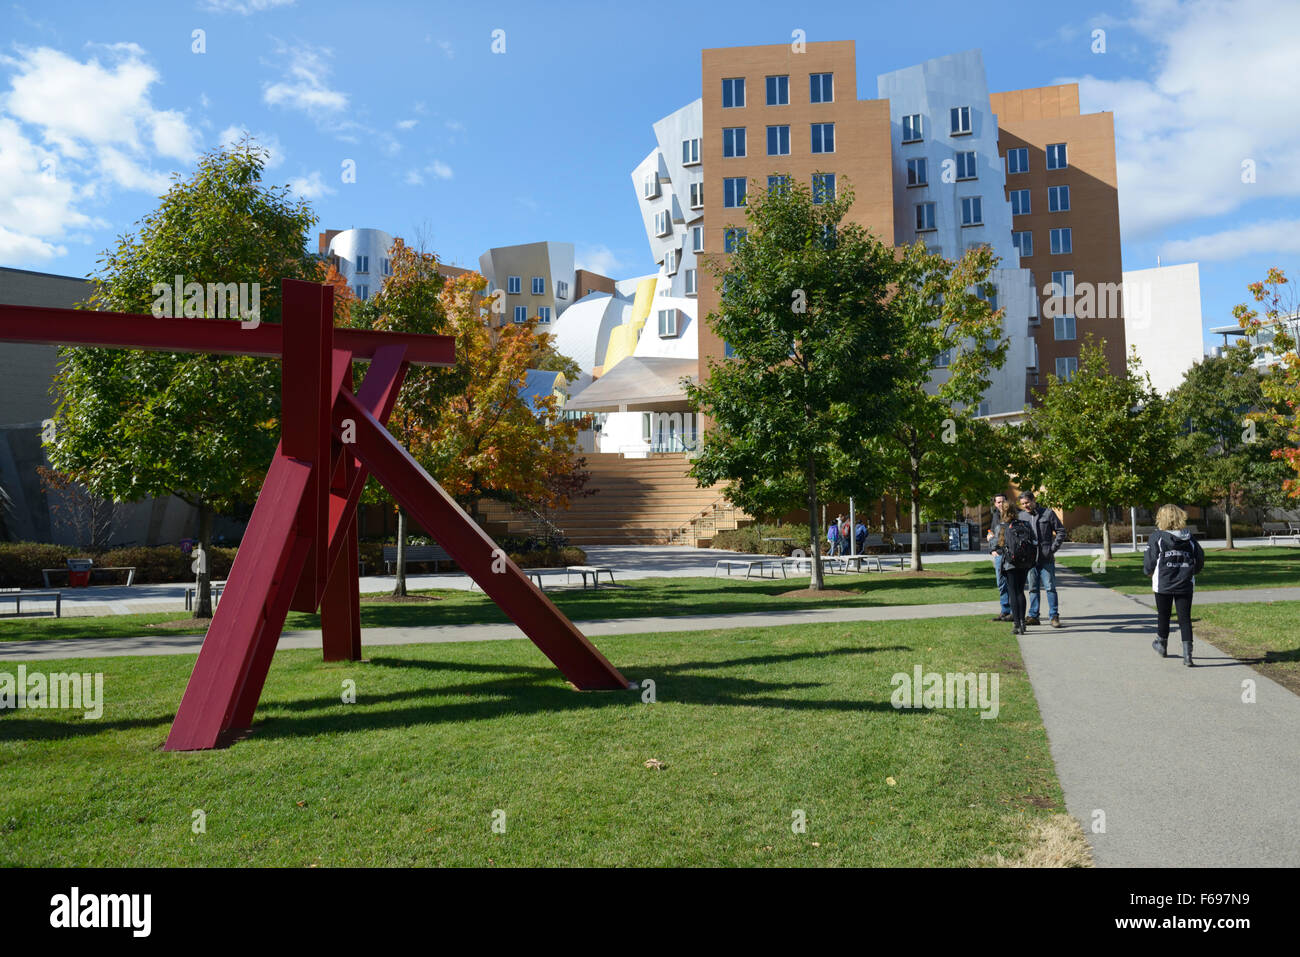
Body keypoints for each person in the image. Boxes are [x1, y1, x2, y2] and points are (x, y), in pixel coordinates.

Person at [1143, 504, 1206, 667]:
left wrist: (1148, 571)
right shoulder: (1189, 538)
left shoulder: (1157, 537)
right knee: (1184, 618)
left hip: (1163, 582)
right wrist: (1194, 571)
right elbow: (1200, 557)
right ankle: (1187, 655)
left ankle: (1162, 645)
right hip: (1185, 582)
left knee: (1163, 615)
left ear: (1160, 519)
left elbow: (1150, 559)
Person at [1018, 490, 1067, 627]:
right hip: (1030, 560)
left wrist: (1052, 548)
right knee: (1033, 588)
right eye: (1022, 504)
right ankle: (1033, 616)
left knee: (1050, 587)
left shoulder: (1048, 513)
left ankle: (1054, 616)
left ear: (1033, 500)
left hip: (1046, 558)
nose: (1025, 506)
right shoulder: (1021, 516)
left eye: (1027, 502)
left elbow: (1061, 531)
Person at [990, 500, 1031, 635]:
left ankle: (1017, 624)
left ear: (1004, 512)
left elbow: (997, 546)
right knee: (1021, 592)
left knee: (1013, 593)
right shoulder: (1025, 524)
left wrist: (991, 539)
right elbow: (1032, 541)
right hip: (1024, 563)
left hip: (1009, 563)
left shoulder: (1002, 527)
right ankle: (1023, 623)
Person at [987, 493, 1012, 622]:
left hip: (1011, 554)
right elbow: (991, 534)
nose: (1001, 504)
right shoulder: (995, 516)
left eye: (1002, 501)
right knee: (1001, 583)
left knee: (1012, 583)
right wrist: (992, 550)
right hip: (998, 554)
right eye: (998, 502)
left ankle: (1014, 612)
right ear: (995, 504)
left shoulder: (1013, 515)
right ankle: (1005, 610)